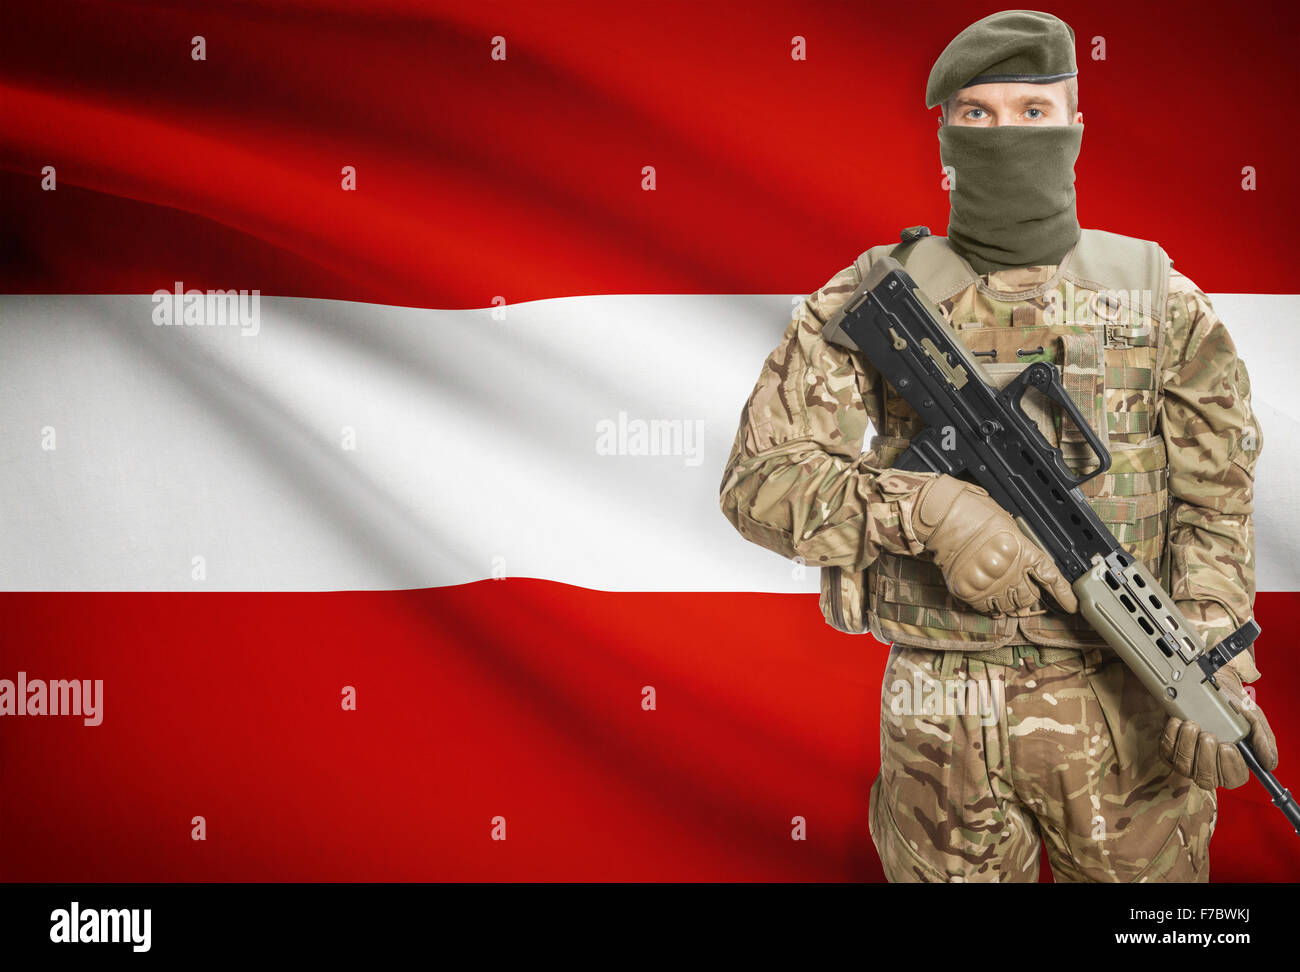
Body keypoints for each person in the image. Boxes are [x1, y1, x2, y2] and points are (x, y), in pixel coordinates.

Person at [718, 9, 1278, 882]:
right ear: (945, 138)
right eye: (977, 114)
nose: (1004, 134)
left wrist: (1205, 659)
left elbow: (1217, 505)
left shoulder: (1162, 300)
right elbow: (760, 480)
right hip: (940, 722)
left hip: (1126, 726)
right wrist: (930, 509)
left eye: (1032, 112)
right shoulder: (878, 293)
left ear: (1074, 132)